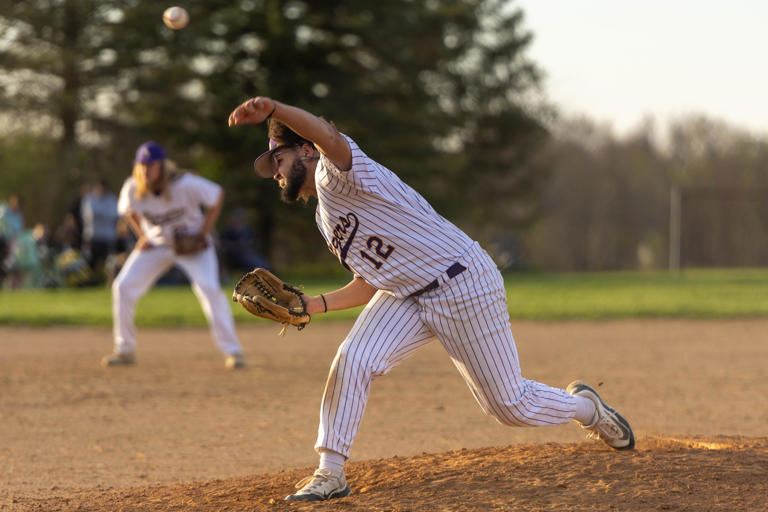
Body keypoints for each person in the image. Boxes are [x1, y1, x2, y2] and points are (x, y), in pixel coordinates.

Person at [227, 97, 635, 502]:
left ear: (304, 150)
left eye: (277, 161)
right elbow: (370, 281)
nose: (275, 174)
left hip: (463, 283)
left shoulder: (338, 174)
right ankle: (330, 472)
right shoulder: (325, 218)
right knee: (353, 358)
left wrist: (275, 111)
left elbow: (328, 135)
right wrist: (316, 304)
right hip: (405, 294)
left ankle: (587, 409)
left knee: (510, 407)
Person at [102, 141, 245, 370]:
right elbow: (128, 211)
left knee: (209, 288)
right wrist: (143, 236)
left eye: (152, 165)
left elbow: (216, 195)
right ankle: (125, 350)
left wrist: (203, 233)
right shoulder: (132, 187)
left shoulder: (184, 184)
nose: (147, 170)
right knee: (122, 286)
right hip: (158, 245)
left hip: (193, 246)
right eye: (143, 165)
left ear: (162, 165)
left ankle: (233, 351)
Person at [80, 179, 119, 280]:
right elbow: (89, 215)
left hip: (108, 237)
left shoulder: (112, 200)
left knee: (109, 262)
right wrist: (104, 214)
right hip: (93, 237)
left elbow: (114, 215)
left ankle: (109, 280)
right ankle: (90, 281)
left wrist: (100, 213)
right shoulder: (89, 199)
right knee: (91, 261)